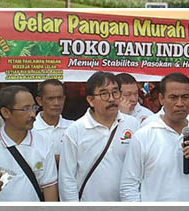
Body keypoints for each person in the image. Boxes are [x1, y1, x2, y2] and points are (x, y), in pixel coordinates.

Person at [120, 72, 189, 202]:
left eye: (185, 97)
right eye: (173, 97)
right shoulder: (144, 135)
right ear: (161, 99)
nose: (180, 103)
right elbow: (129, 186)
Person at [59, 72, 139, 201]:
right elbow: (67, 178)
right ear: (91, 100)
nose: (111, 99)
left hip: (126, 207)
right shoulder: (75, 131)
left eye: (115, 92)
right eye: (104, 94)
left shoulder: (132, 124)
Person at [0, 85, 58, 202]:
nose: (33, 114)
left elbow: (49, 186)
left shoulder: (44, 141)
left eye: (34, 108)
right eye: (26, 109)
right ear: (6, 112)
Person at [33, 79, 73, 166]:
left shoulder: (74, 127)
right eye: (50, 99)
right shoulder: (30, 129)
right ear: (39, 101)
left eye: (60, 98)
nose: (56, 103)